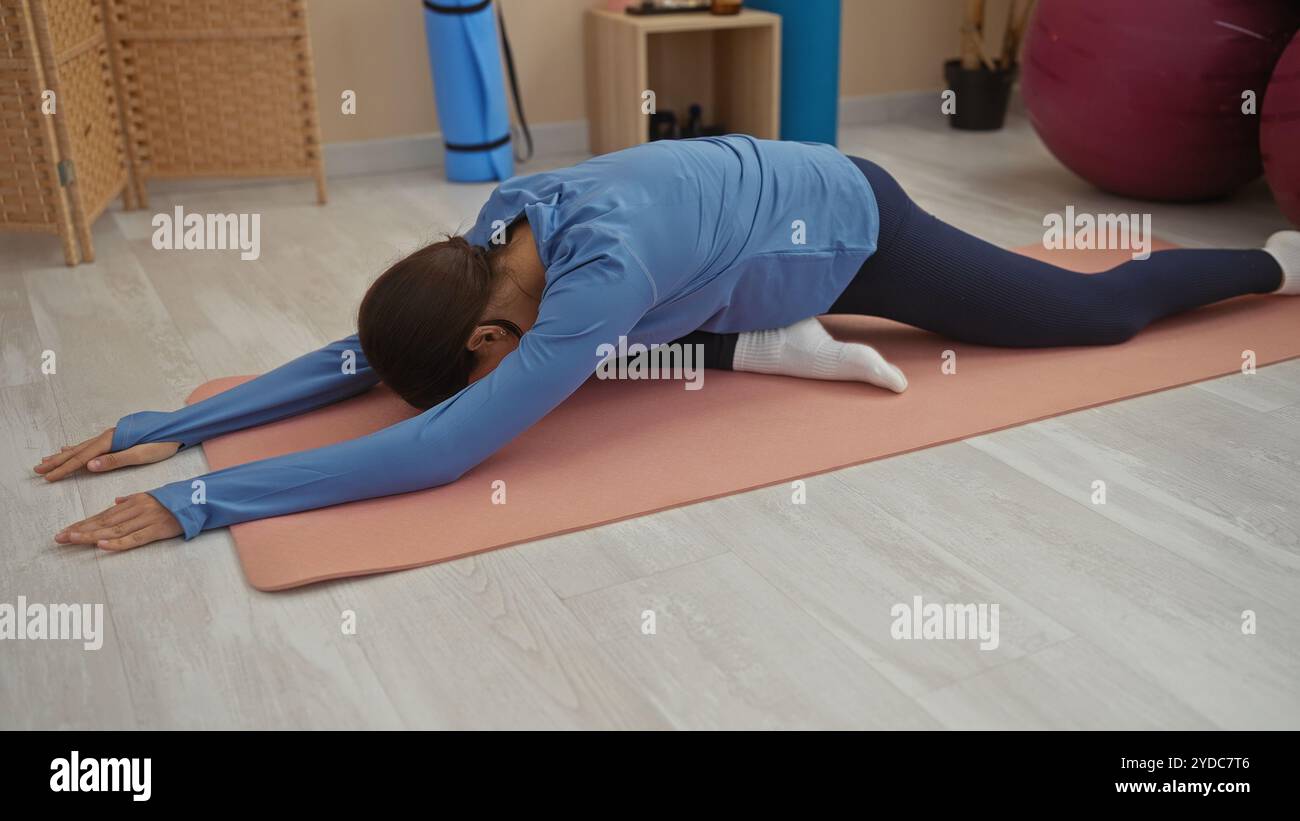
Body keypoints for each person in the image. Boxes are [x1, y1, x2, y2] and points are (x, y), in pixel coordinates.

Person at [37, 135, 1300, 550]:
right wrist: (170, 425)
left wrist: (200, 504)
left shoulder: (590, 282)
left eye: (480, 360)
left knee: (1078, 316)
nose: (484, 372)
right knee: (592, 367)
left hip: (853, 225)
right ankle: (764, 340)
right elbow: (364, 357)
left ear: (490, 325)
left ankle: (1273, 261)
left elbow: (439, 451)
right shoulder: (495, 234)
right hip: (715, 268)